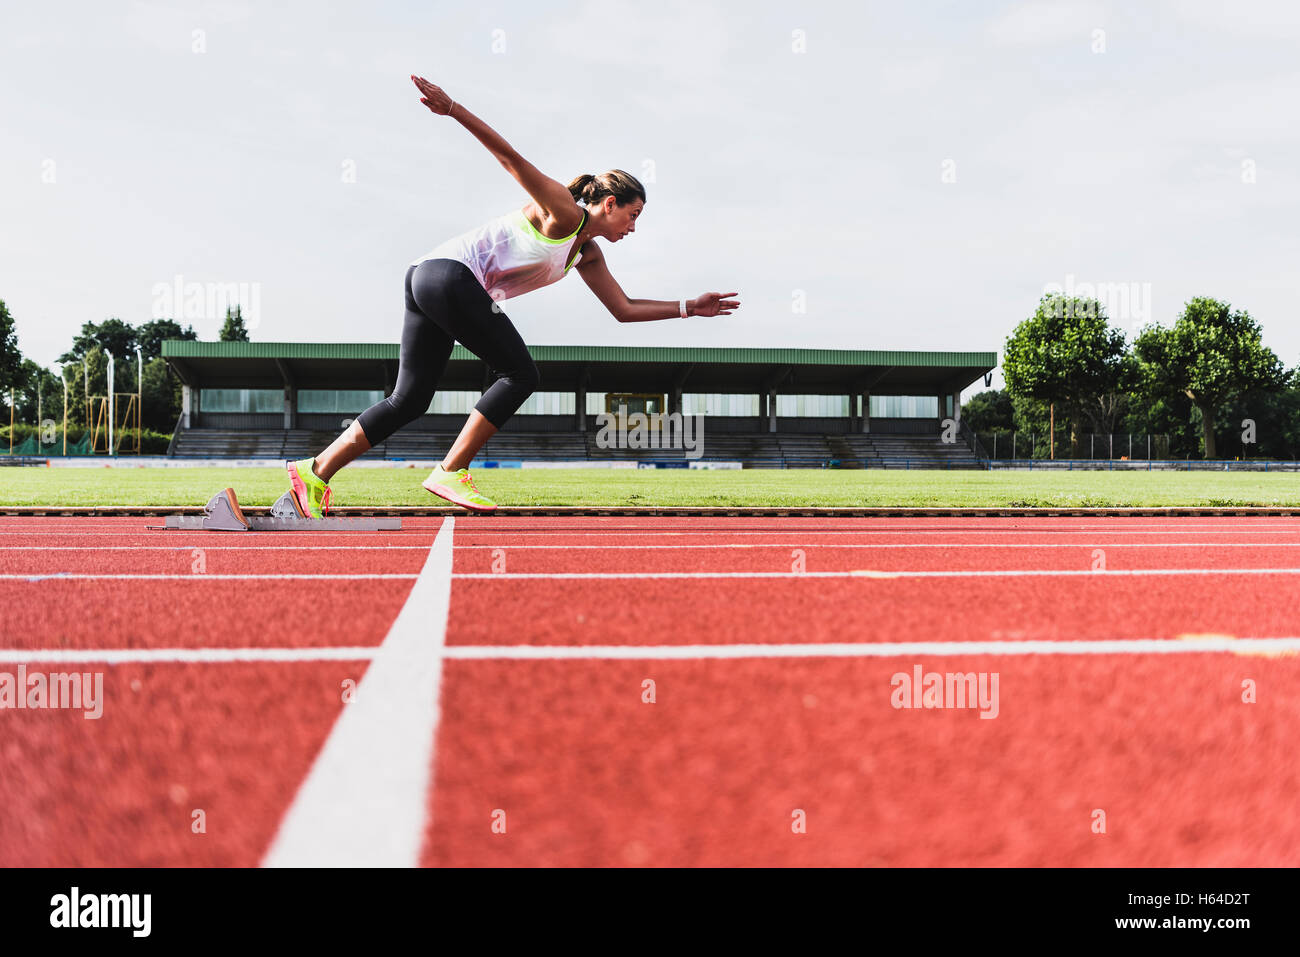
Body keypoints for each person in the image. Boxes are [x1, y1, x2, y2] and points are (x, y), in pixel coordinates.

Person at [286, 74, 740, 516]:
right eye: (632, 215)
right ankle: (451, 470)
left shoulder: (588, 253)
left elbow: (622, 310)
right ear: (608, 204)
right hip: (447, 276)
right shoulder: (565, 214)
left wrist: (688, 309)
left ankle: (315, 471)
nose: (634, 227)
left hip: (426, 278)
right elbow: (511, 159)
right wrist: (453, 109)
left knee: (410, 399)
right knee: (520, 372)